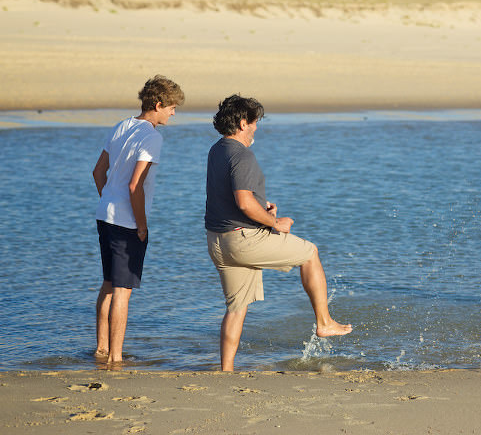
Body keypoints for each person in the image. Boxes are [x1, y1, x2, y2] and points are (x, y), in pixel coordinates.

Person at [205, 94, 352, 372]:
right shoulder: (242, 154)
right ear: (241, 123)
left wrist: (264, 209)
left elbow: (232, 199)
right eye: (254, 122)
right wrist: (275, 223)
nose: (256, 128)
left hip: (218, 241)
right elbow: (244, 202)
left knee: (236, 308)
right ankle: (324, 322)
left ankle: (226, 372)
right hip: (243, 240)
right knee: (310, 253)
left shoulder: (217, 149)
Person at [92, 75, 185, 365]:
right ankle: (116, 358)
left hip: (104, 214)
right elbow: (135, 186)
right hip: (126, 223)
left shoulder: (121, 125)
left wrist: (108, 199)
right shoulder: (152, 137)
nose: (173, 112)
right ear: (157, 105)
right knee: (122, 290)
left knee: (108, 283)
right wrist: (141, 225)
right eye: (171, 107)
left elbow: (98, 173)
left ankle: (101, 349)